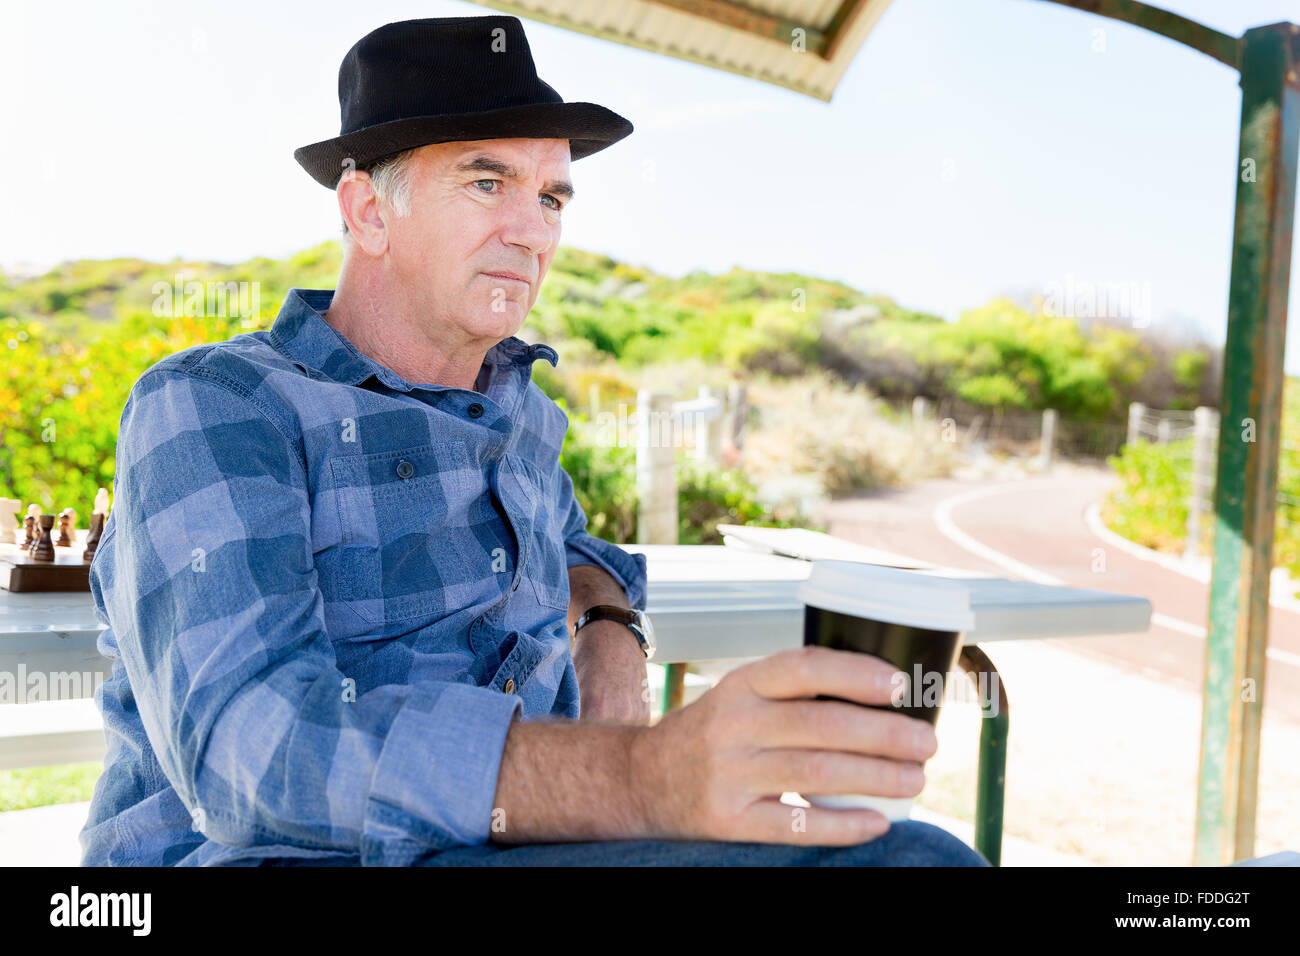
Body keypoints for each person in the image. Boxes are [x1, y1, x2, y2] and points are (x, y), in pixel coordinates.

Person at [80, 15, 988, 867]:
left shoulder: (519, 418)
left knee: (903, 851)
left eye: (552, 196)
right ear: (366, 212)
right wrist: (640, 777)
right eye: (487, 182)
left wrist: (609, 631)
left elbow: (575, 546)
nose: (532, 231)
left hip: (526, 848)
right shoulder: (217, 405)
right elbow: (254, 750)